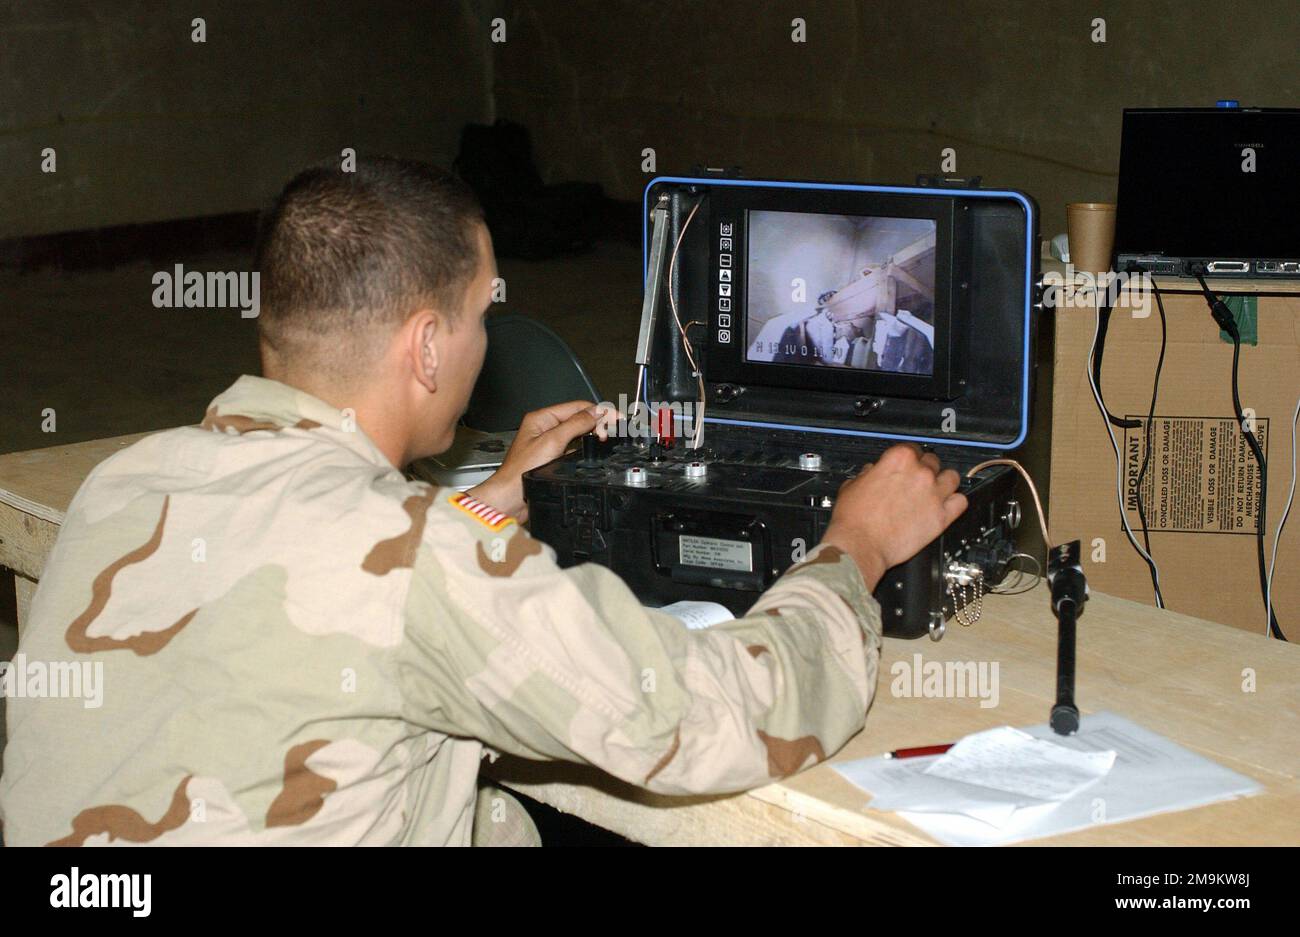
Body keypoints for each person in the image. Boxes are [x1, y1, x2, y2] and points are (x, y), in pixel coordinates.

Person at [0, 157, 967, 846]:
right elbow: (713, 716)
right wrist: (854, 549)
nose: (485, 343)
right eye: (480, 315)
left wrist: (495, 500)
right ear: (426, 347)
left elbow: (322, 587)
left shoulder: (122, 482)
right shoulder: (422, 561)